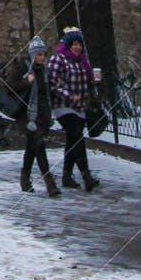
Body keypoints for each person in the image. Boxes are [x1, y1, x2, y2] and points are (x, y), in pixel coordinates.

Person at [48, 27, 100, 192]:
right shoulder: (58, 59)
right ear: (68, 45)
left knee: (73, 139)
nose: (77, 47)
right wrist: (69, 95)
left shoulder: (82, 61)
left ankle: (66, 176)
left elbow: (87, 83)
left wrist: (96, 82)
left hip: (79, 107)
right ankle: (86, 176)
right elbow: (52, 83)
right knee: (77, 136)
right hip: (63, 106)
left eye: (79, 44)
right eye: (74, 44)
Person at [18, 38, 60, 198]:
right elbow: (11, 86)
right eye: (39, 54)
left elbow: (47, 93)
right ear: (33, 55)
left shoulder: (44, 71)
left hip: (42, 115)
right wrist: (26, 82)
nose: (42, 57)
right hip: (27, 116)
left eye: (44, 54)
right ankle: (50, 183)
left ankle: (25, 179)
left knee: (32, 147)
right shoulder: (24, 69)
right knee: (39, 145)